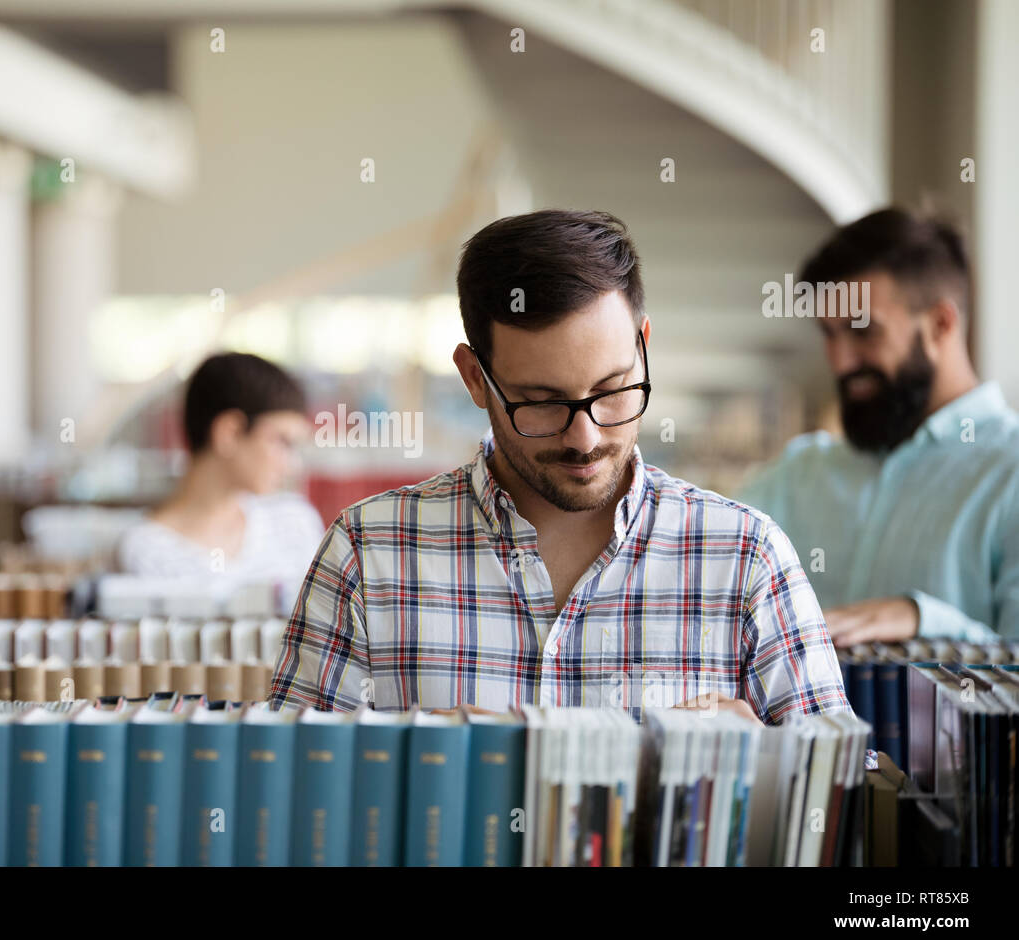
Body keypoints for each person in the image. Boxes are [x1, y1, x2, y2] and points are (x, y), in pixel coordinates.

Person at [270, 209, 852, 729]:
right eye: (541, 401)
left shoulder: (746, 557)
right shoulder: (367, 553)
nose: (587, 437)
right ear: (475, 378)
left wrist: (768, 771)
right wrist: (418, 757)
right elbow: (285, 801)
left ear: (643, 347)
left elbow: (848, 801)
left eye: (613, 389)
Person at [737, 208, 1019, 646]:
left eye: (862, 330)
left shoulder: (1011, 471)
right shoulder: (797, 476)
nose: (841, 362)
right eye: (829, 334)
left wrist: (923, 621)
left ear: (941, 324)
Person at [117, 352, 326, 610]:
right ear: (230, 432)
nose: (293, 464)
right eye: (281, 441)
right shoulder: (147, 550)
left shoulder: (296, 523)